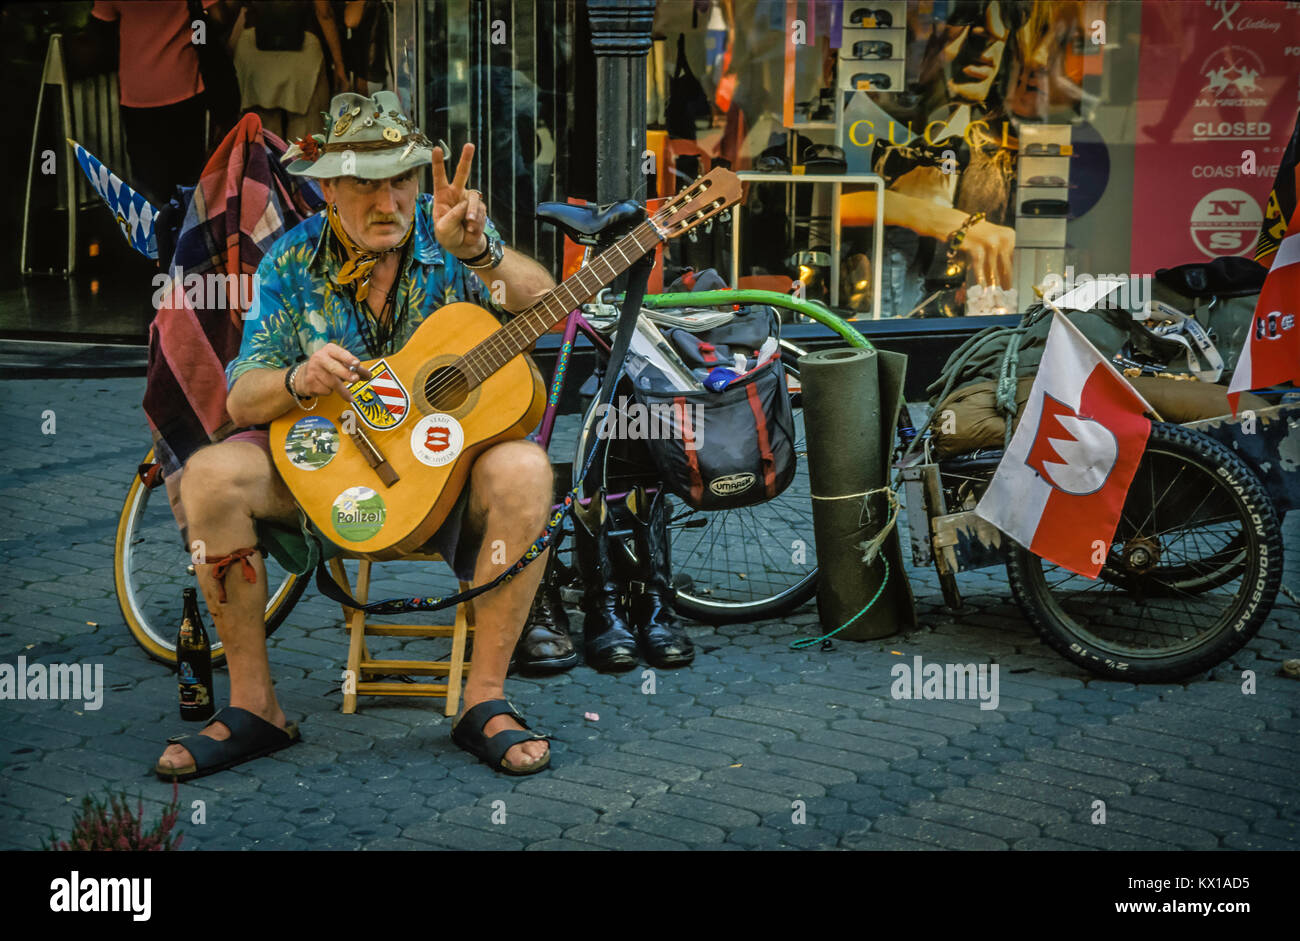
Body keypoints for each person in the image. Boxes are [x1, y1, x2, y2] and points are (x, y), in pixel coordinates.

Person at [153, 90, 559, 779]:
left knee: (527, 468)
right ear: (330, 187)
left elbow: (547, 305)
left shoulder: (450, 234)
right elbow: (241, 395)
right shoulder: (290, 260)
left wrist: (486, 254)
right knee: (209, 476)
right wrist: (298, 380)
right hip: (328, 476)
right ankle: (256, 708)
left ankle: (483, 699)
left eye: (400, 180)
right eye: (366, 185)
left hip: (442, 480)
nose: (388, 202)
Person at [88, 0, 234, 207]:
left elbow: (99, 26)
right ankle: (188, 233)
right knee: (188, 180)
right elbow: (219, 16)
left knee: (150, 186)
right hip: (185, 90)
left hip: (139, 97)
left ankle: (158, 233)